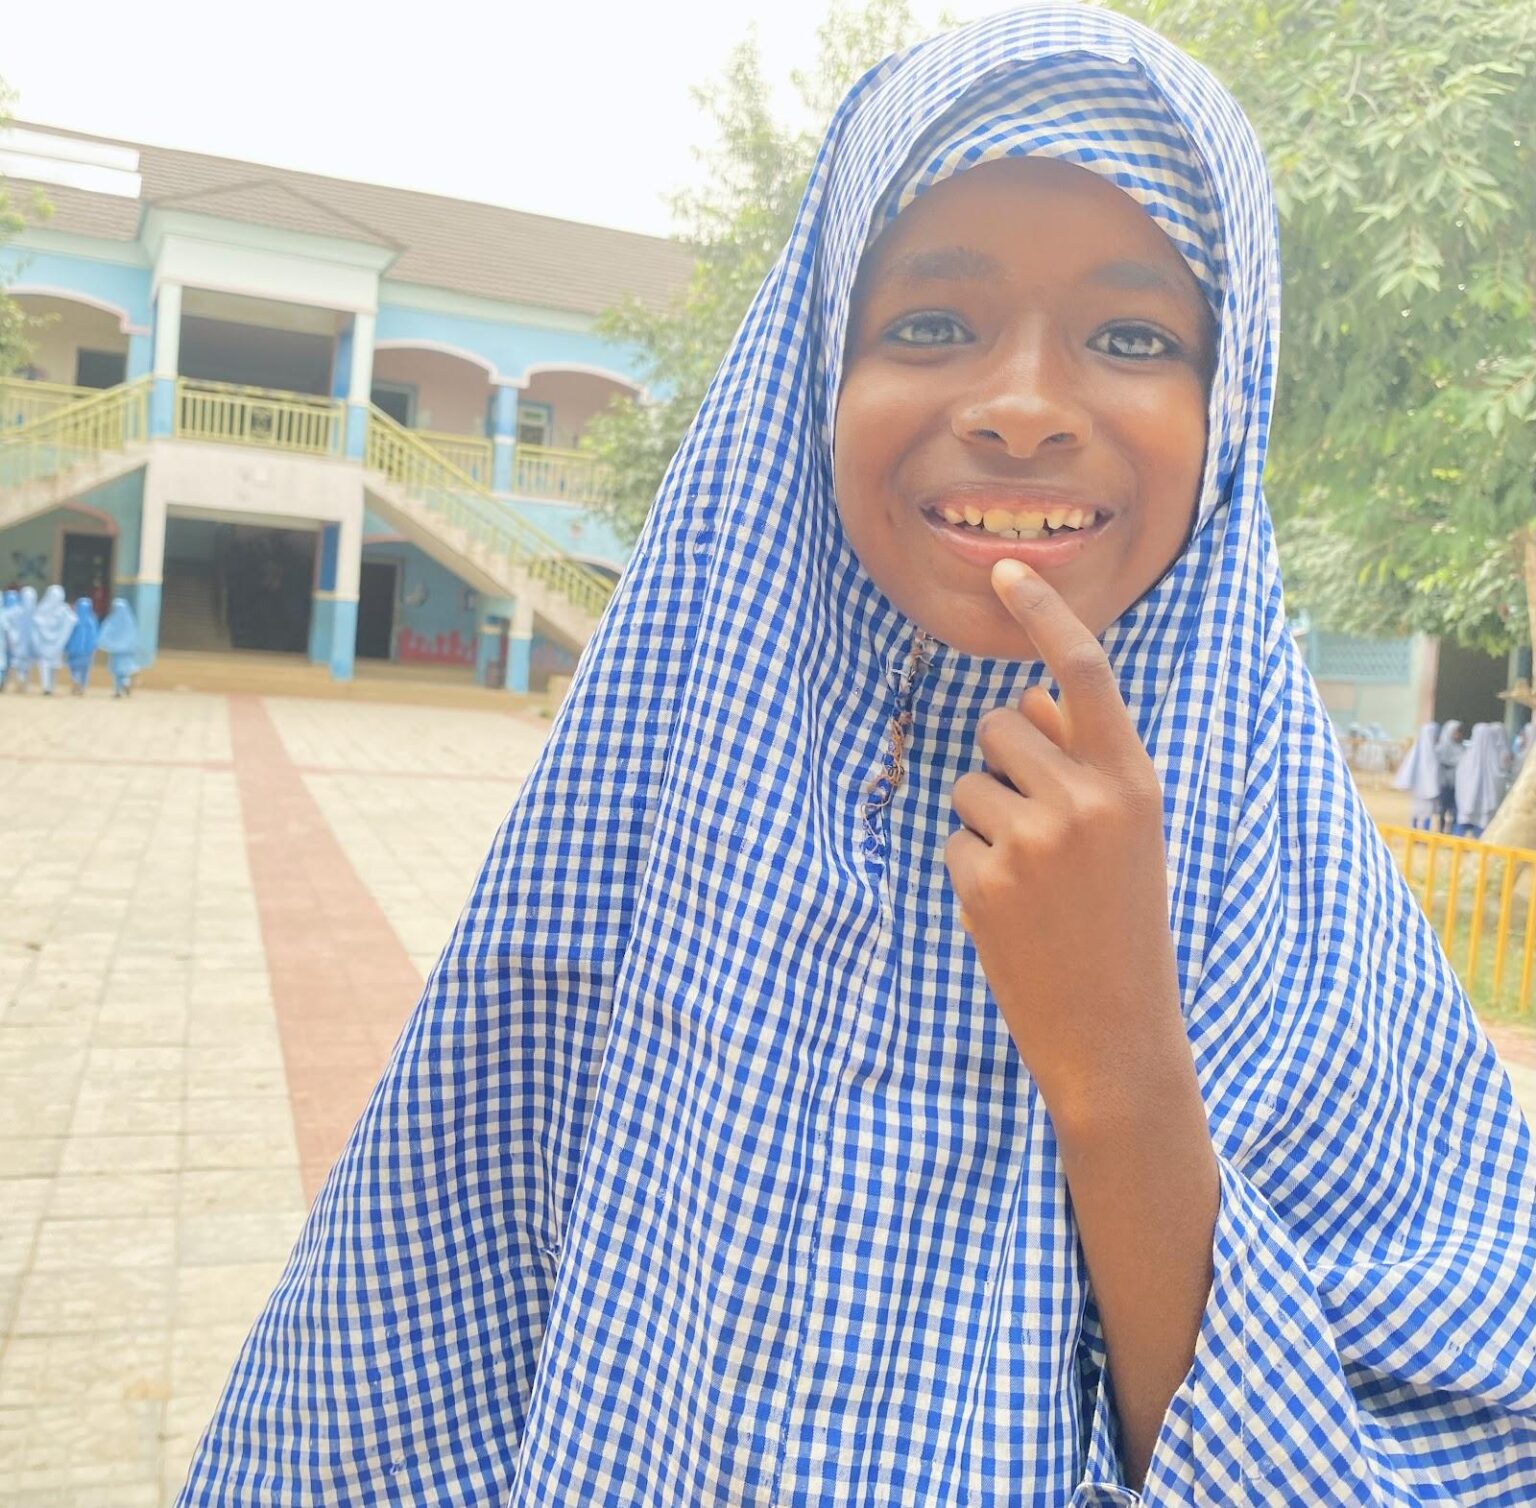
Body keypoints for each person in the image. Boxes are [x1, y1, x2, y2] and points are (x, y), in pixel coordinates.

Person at [177, 10, 1536, 1505]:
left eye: (1136, 337)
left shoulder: (1296, 901)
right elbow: (429, 1328)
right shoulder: (653, 818)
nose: (1022, 405)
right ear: (816, 370)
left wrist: (1119, 1057)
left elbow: (1442, 1439)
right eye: (933, 325)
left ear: (1232, 402)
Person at [1455, 722, 1509, 839]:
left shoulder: (1466, 758)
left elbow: (1460, 781)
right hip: (1485, 807)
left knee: (1464, 824)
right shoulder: (1495, 761)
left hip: (1467, 804)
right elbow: (1499, 781)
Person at [1392, 720, 1440, 830]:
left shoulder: (1428, 751)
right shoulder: (1424, 752)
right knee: (1421, 811)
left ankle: (1420, 832)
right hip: (1423, 790)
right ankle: (1417, 832)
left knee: (1421, 811)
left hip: (1422, 790)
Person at [29, 584, 76, 696]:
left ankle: (51, 686)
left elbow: (72, 619)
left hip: (57, 644)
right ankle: (46, 687)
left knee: (54, 667)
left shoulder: (63, 610)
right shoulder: (42, 608)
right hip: (44, 644)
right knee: (44, 665)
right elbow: (36, 622)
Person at [96, 597, 140, 698]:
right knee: (124, 671)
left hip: (116, 652)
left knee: (116, 672)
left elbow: (105, 632)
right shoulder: (130, 621)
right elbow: (133, 636)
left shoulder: (112, 621)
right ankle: (126, 683)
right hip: (126, 653)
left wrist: (108, 644)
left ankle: (118, 691)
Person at [3, 585, 39, 692]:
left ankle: (23, 684)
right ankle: (16, 682)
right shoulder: (16, 611)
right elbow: (5, 620)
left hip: (29, 644)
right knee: (16, 664)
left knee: (27, 665)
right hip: (17, 643)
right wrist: (11, 634)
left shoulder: (36, 613)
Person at [1434, 718, 1467, 833]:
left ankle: (1452, 832)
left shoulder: (1462, 749)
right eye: (1455, 732)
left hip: (1458, 784)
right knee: (1443, 809)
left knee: (1455, 810)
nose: (1458, 735)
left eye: (1459, 732)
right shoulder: (1440, 749)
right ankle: (1441, 830)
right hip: (1444, 783)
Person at [64, 597, 100, 695]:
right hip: (87, 651)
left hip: (74, 650)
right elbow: (95, 636)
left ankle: (76, 680)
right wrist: (94, 648)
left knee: (74, 668)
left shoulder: (73, 620)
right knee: (85, 670)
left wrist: (66, 646)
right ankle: (82, 687)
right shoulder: (92, 621)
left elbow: (67, 634)